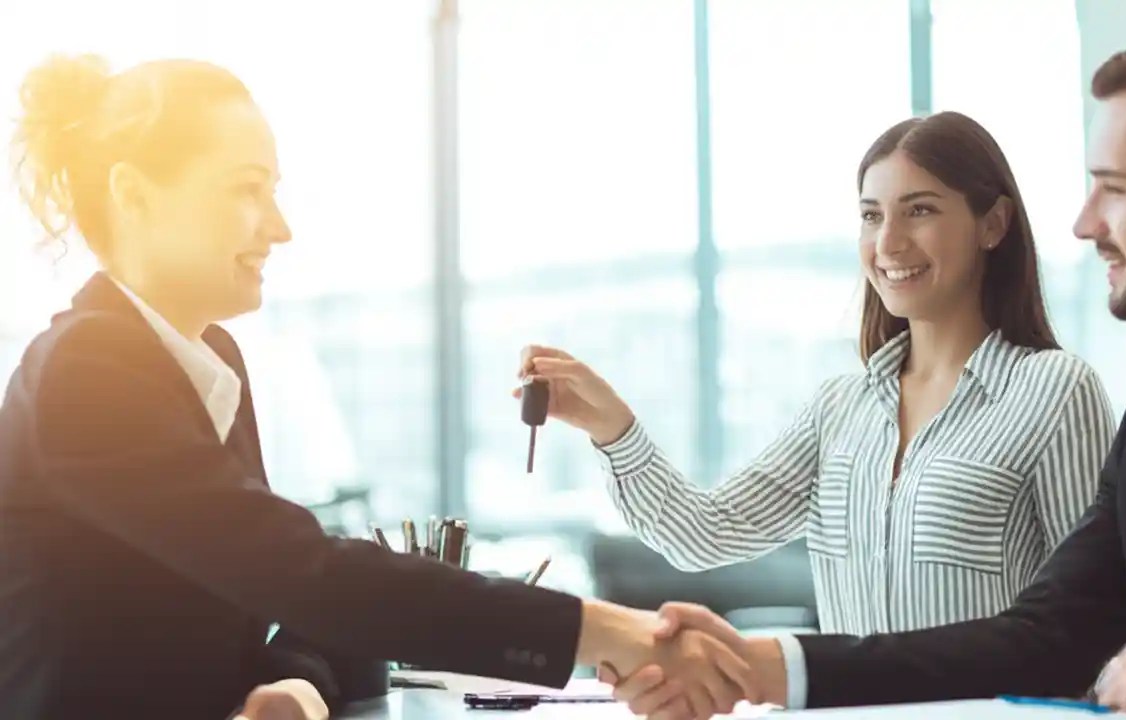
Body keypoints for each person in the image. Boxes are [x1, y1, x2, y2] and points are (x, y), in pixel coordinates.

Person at [0, 55, 757, 720]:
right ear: (135, 196)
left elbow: (289, 597)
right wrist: (610, 632)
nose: (279, 227)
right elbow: (304, 575)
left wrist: (292, 687)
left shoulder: (202, 361)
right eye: (247, 190)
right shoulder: (84, 373)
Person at [608, 29, 1126, 720]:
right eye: (871, 215)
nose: (1083, 224)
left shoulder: (1058, 390)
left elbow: (1125, 666)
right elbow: (1047, 639)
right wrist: (762, 667)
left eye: (1114, 188)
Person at [518, 111, 1114, 646]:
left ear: (993, 224)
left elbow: (1098, 616)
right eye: (871, 216)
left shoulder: (1056, 390)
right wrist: (611, 426)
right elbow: (703, 534)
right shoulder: (840, 408)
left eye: (920, 210)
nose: (888, 242)